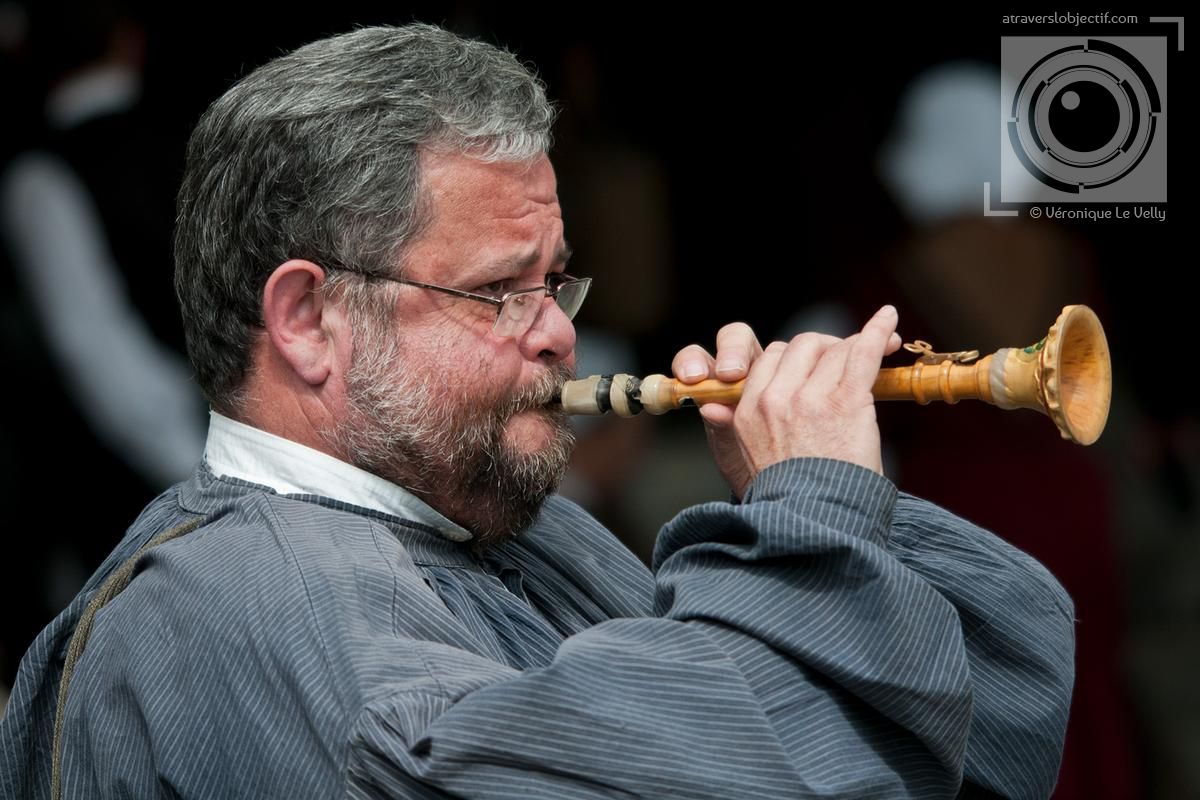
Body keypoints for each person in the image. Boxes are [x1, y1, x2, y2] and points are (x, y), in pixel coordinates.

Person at [0, 23, 1074, 799]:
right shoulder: (240, 610)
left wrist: (823, 500)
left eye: (556, 283)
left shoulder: (505, 518)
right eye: (498, 290)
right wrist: (810, 521)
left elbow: (996, 719)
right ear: (309, 319)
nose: (559, 332)